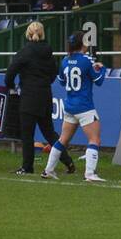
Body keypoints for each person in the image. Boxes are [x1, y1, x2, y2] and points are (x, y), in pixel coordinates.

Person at [4, 21, 73, 175]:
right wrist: (44, 83)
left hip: (28, 96)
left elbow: (10, 72)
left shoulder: (24, 52)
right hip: (45, 96)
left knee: (27, 134)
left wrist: (11, 86)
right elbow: (53, 73)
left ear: (28, 34)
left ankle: (27, 167)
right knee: (49, 132)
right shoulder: (48, 52)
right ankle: (68, 161)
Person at [43, 34, 107, 181]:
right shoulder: (86, 60)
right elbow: (99, 81)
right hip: (84, 107)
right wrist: (102, 69)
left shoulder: (65, 60)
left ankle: (48, 170)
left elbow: (61, 81)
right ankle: (90, 174)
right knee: (94, 140)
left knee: (62, 140)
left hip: (70, 106)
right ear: (82, 44)